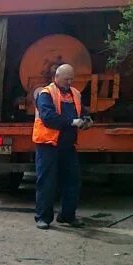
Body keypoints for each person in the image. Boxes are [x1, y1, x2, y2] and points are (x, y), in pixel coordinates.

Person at [32, 64, 92, 230]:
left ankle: (67, 216)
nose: (69, 82)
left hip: (67, 146)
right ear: (56, 77)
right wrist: (72, 122)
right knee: (47, 182)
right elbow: (48, 117)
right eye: (66, 79)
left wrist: (87, 120)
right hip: (48, 145)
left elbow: (83, 111)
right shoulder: (46, 94)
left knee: (73, 181)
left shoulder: (75, 94)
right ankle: (43, 218)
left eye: (71, 79)